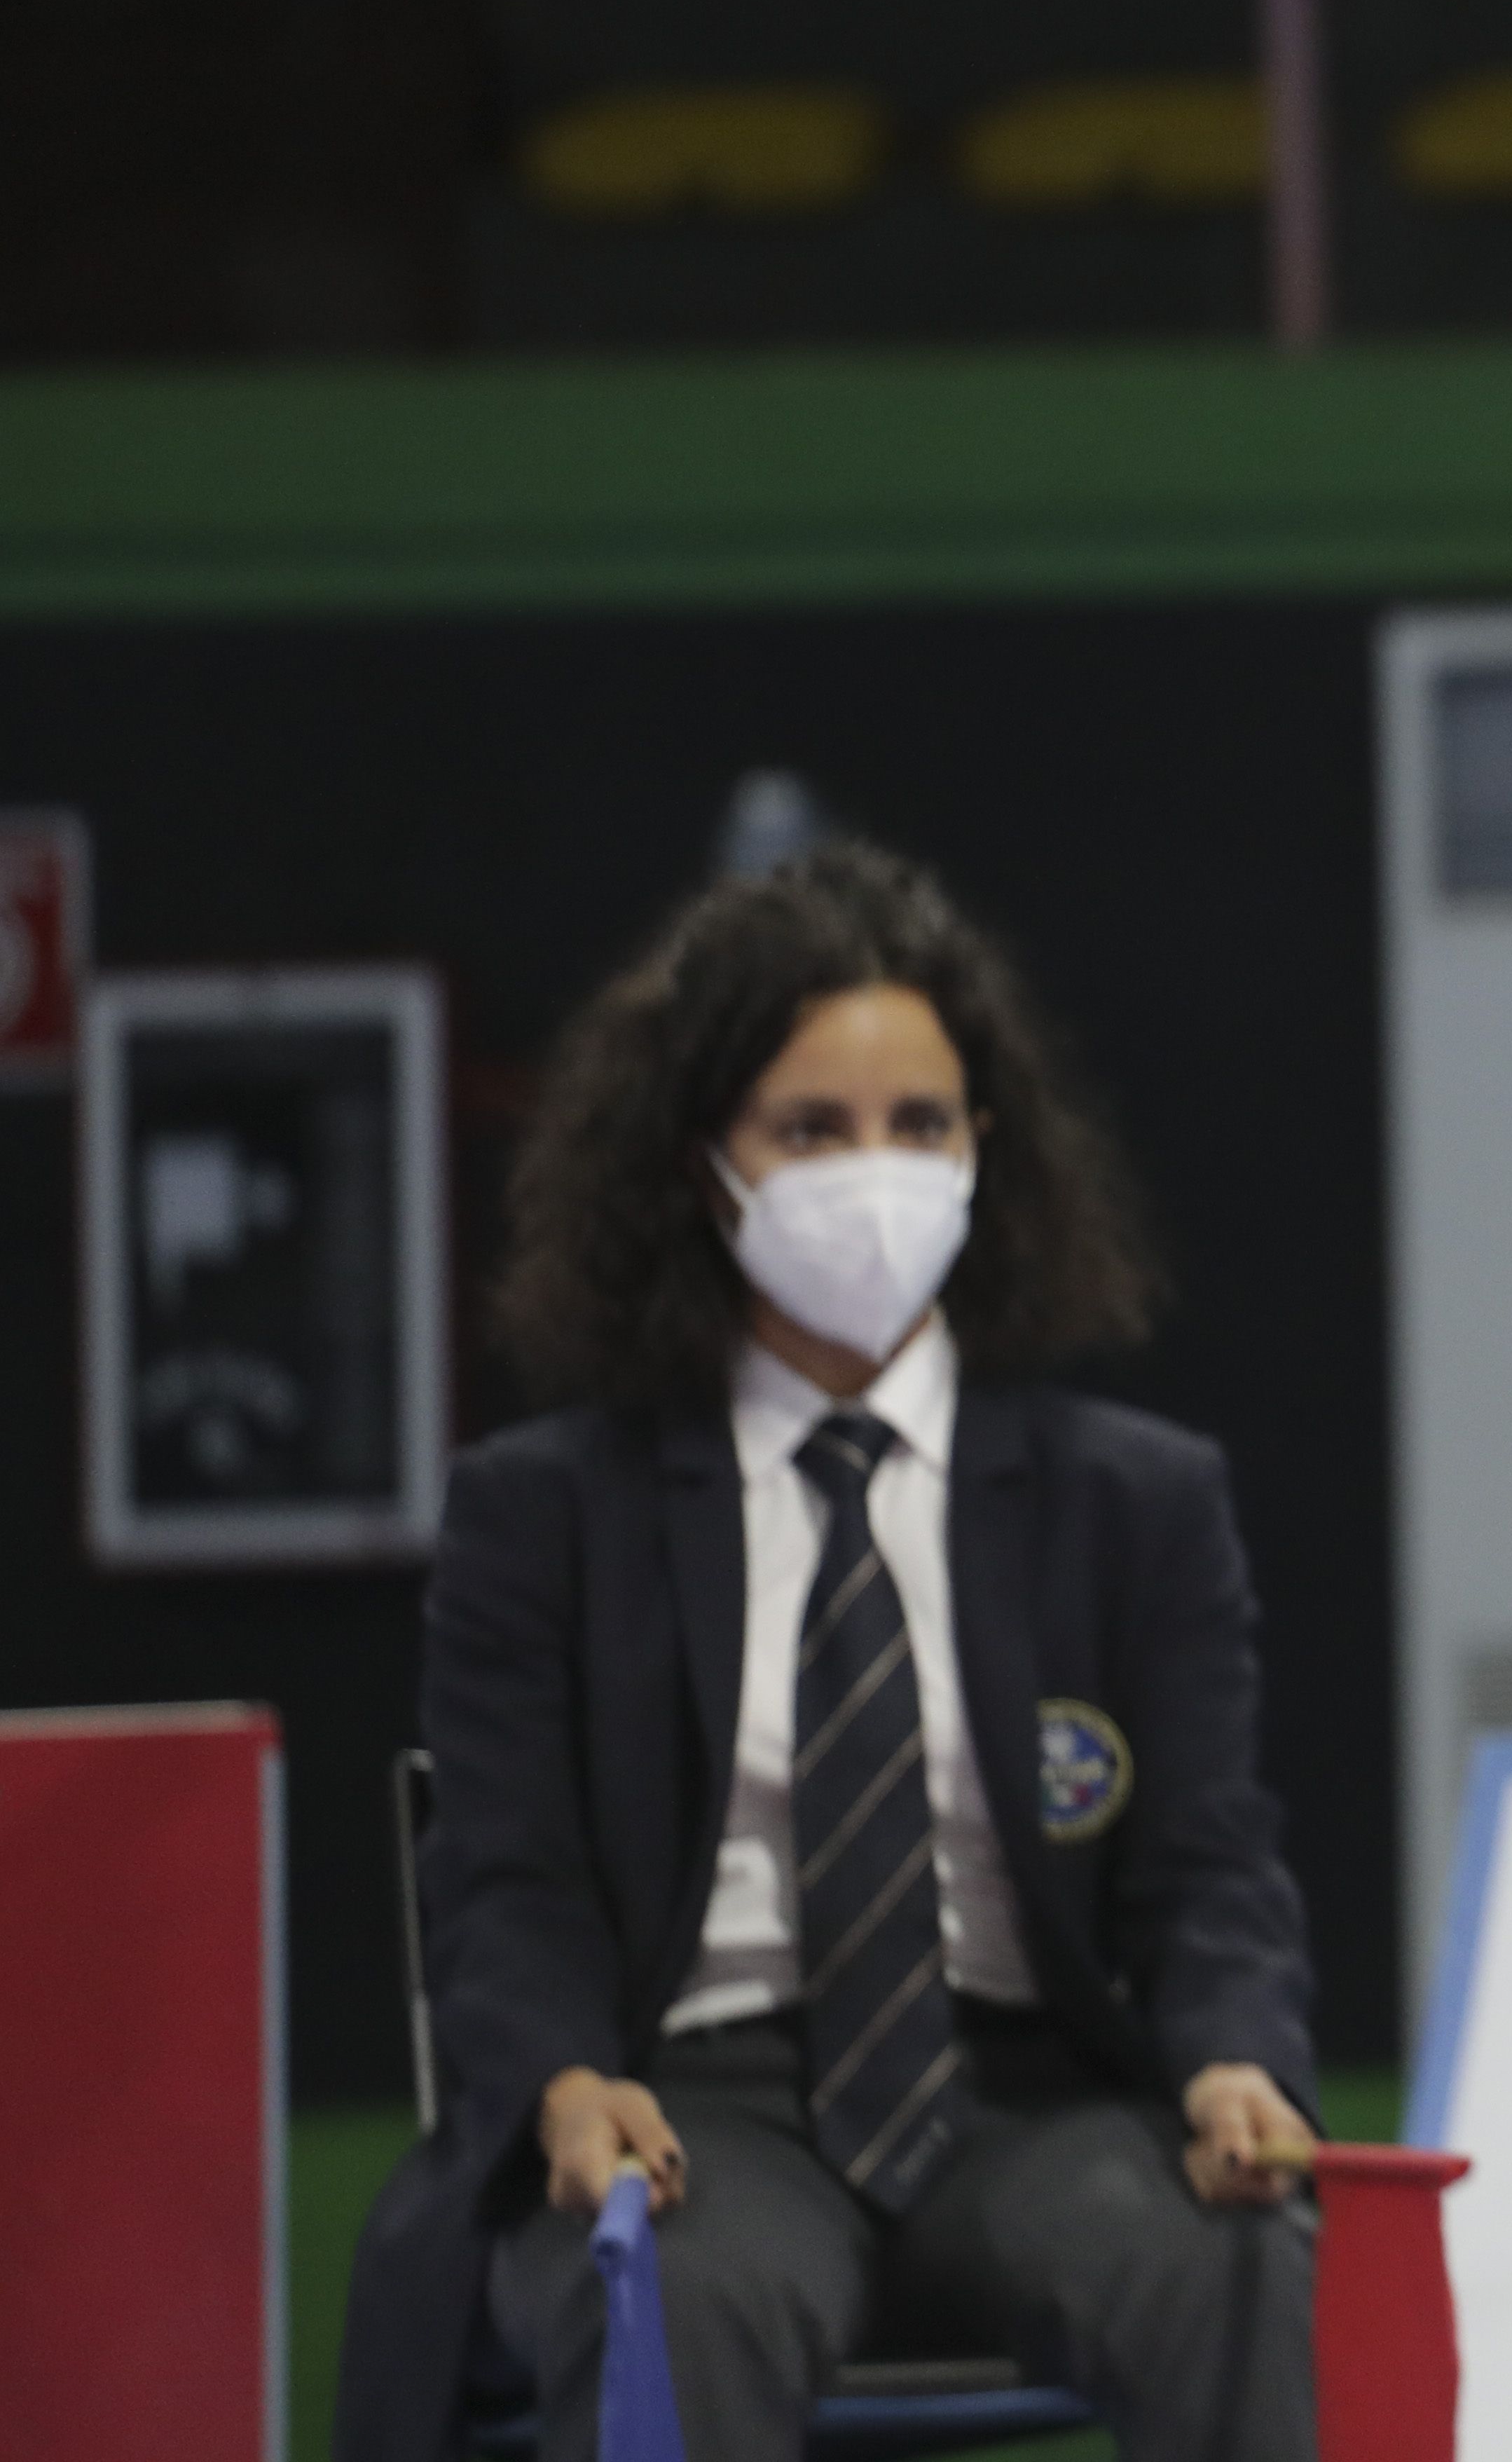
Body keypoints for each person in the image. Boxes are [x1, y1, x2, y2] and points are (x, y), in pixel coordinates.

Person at [338, 842, 1325, 2462]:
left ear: (985, 1150)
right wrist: (566, 2085)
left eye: (919, 1126)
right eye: (811, 1129)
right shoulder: (543, 1514)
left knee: (1235, 2255)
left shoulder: (1135, 1501)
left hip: (1031, 2107)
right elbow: (505, 1879)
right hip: (693, 2107)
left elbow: (1211, 1866)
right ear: (702, 1164)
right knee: (666, 2285)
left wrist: (1233, 2057)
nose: (875, 1173)